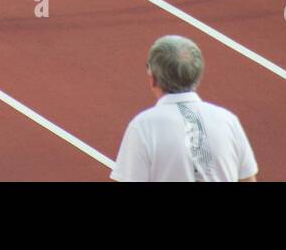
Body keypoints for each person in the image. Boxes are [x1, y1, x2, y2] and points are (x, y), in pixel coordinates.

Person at [111, 35, 258, 182]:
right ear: (197, 75)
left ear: (153, 79)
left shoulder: (143, 126)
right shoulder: (228, 121)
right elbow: (248, 179)